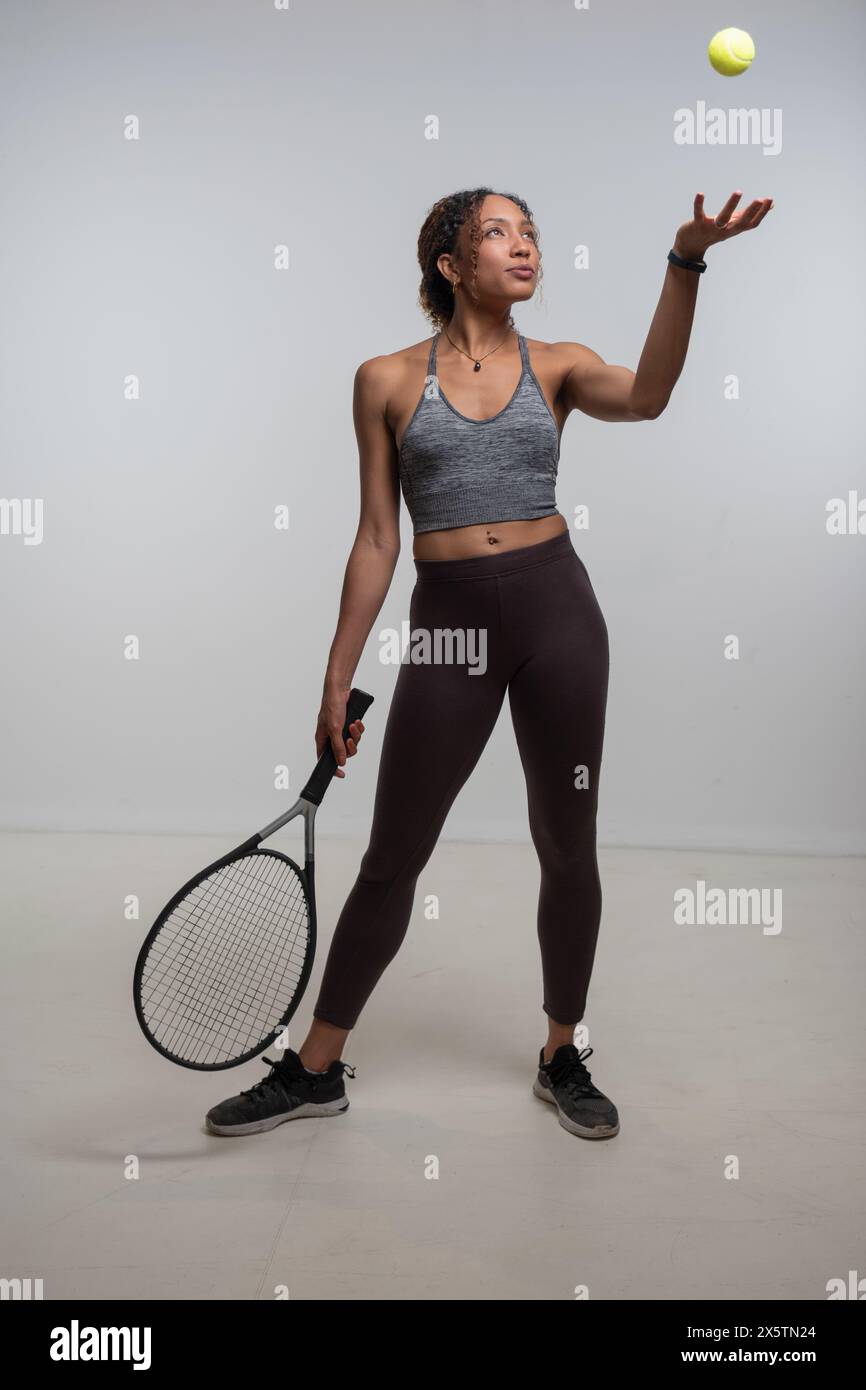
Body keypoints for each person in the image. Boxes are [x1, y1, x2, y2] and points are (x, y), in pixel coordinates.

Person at [206, 184, 773, 1141]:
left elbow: (649, 396)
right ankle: (315, 1070)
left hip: (559, 616)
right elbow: (377, 538)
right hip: (450, 627)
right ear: (451, 263)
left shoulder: (559, 365)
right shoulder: (386, 380)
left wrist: (686, 262)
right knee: (393, 852)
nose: (525, 247)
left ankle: (562, 1053)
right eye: (499, 233)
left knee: (567, 840)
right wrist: (337, 675)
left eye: (532, 234)